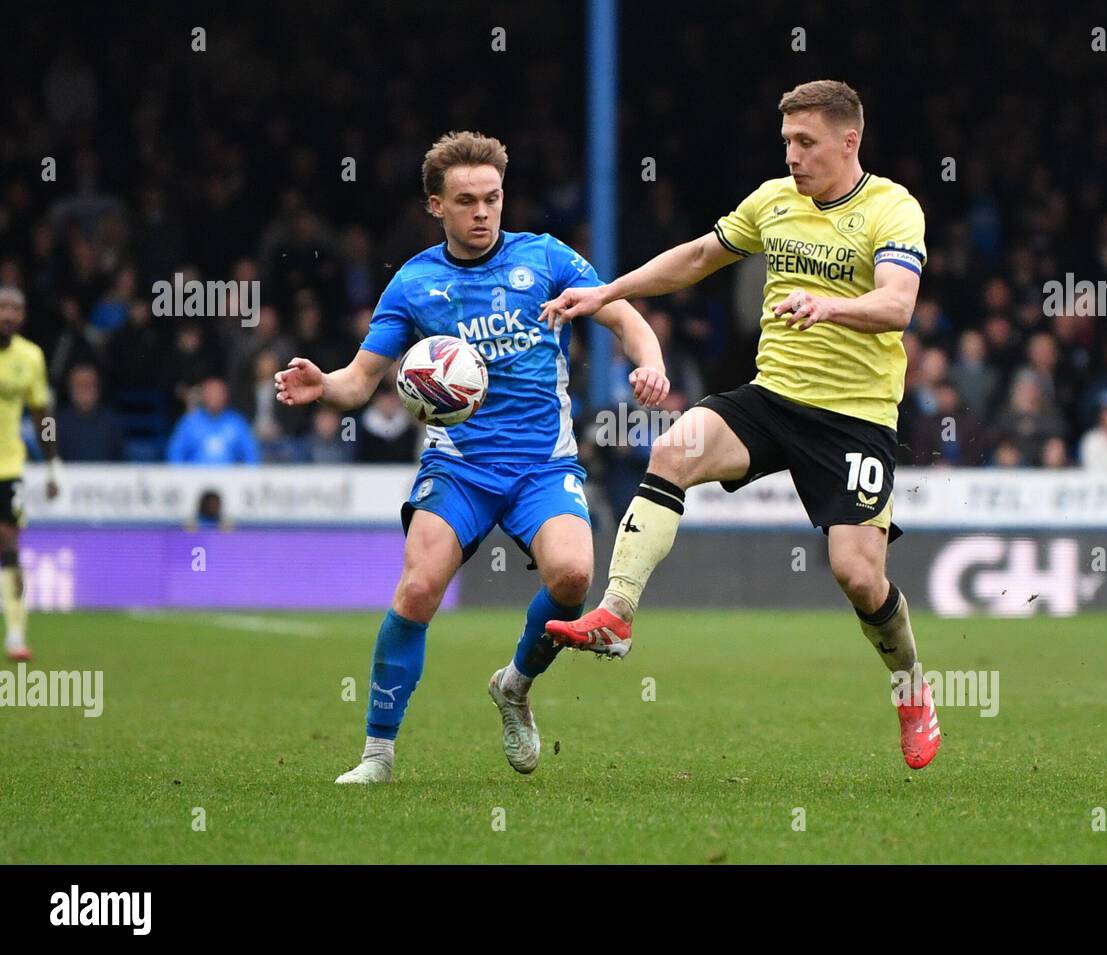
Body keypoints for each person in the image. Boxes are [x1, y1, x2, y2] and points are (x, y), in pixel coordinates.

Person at [540, 80, 941, 771]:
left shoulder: (892, 208)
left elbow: (897, 304)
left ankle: (911, 688)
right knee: (673, 447)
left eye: (806, 142)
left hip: (853, 417)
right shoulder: (772, 200)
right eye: (786, 141)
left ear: (850, 141)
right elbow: (697, 257)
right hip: (773, 397)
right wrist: (609, 291)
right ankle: (617, 612)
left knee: (858, 576)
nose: (792, 155)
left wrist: (831, 306)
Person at [274, 131, 668, 783]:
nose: (482, 212)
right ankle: (377, 754)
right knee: (419, 587)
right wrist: (325, 385)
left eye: (492, 198)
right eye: (466, 200)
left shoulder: (545, 258)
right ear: (436, 205)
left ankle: (514, 684)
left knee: (571, 578)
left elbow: (623, 316)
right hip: (458, 467)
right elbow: (360, 377)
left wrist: (650, 364)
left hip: (543, 464)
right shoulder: (416, 284)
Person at [0, 287, 62, 661]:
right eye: (3, 307)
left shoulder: (31, 357)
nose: (9, 314)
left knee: (9, 543)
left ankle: (16, 634)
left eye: (15, 308)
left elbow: (43, 415)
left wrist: (53, 463)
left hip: (9, 467)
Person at [165, 378, 261, 465]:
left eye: (218, 393)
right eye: (210, 393)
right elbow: (175, 452)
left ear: (225, 396)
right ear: (203, 396)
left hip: (230, 479)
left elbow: (251, 453)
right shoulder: (189, 421)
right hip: (195, 479)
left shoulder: (237, 421)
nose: (214, 397)